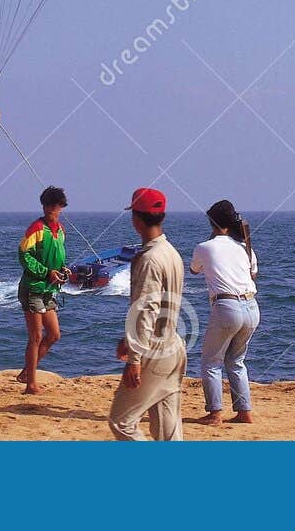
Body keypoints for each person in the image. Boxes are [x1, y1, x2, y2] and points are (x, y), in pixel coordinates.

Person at [109, 187, 186, 441]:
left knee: (121, 421)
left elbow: (146, 310)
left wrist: (134, 359)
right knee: (167, 426)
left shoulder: (150, 259)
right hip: (173, 345)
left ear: (136, 219)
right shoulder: (171, 253)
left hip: (154, 350)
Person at [189, 199, 259, 426]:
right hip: (251, 307)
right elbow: (253, 273)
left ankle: (215, 413)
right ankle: (244, 412)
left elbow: (194, 270)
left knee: (211, 362)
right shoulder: (245, 247)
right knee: (236, 361)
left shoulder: (204, 247)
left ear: (211, 222)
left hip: (226, 307)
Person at [16, 185, 67, 392]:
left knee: (54, 334)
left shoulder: (60, 231)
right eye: (47, 205)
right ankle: (30, 384)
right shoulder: (36, 228)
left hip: (49, 289)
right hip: (33, 288)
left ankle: (27, 371)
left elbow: (58, 256)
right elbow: (23, 255)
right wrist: (46, 272)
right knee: (36, 336)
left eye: (54, 206)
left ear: (61, 207)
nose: (50, 209)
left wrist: (62, 270)